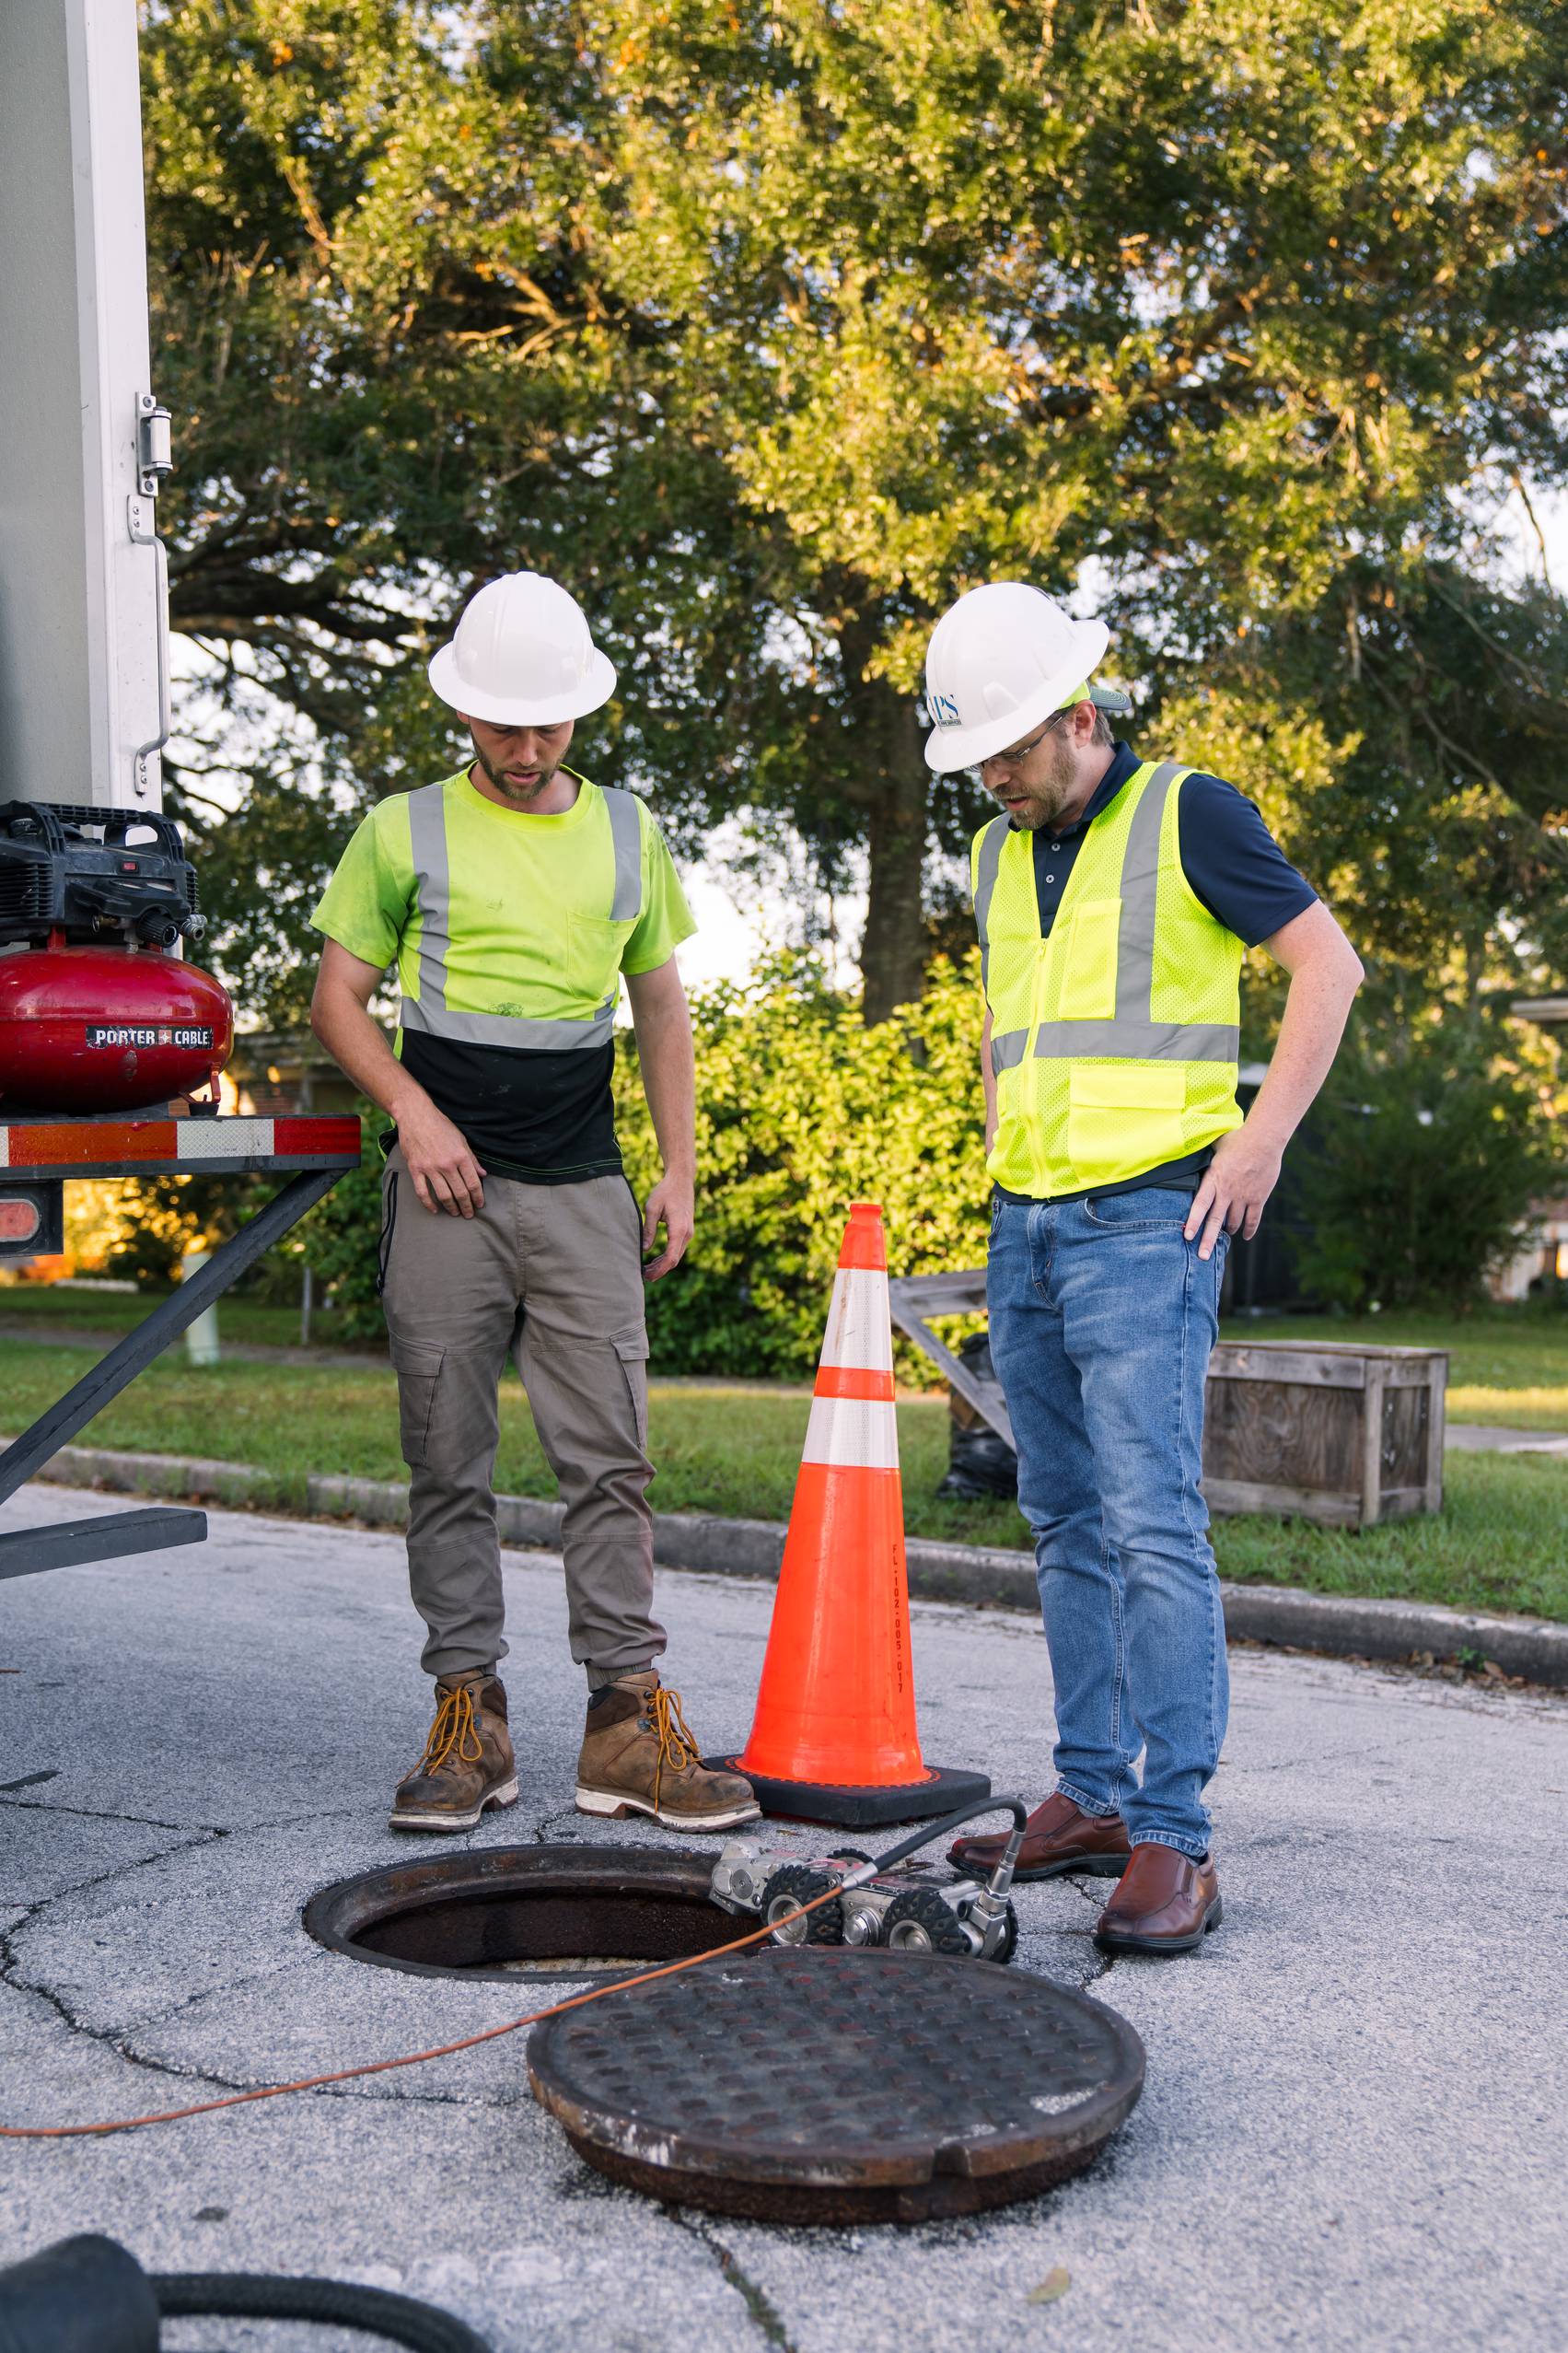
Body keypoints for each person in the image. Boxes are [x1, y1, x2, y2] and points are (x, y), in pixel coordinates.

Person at [932, 583, 1363, 1954]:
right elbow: (1012, 1016)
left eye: (1010, 752)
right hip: (1031, 1220)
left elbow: (1328, 969)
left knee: (1151, 1524)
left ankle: (1174, 1836)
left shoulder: (1191, 813)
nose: (994, 779)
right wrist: (1001, 1142)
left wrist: (1260, 1143)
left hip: (1151, 1222)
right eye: (978, 758)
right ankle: (1095, 1796)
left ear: (1081, 715)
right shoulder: (999, 851)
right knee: (1060, 1518)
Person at [308, 570, 759, 1837]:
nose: (524, 747)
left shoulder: (629, 830)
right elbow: (338, 1001)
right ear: (463, 714)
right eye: (502, 725)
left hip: (584, 1192)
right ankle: (470, 1718)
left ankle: (625, 1724)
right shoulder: (404, 830)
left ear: (579, 714)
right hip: (450, 1192)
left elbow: (661, 1006)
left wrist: (676, 1168)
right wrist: (415, 1113)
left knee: (610, 1460)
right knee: (444, 1453)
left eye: (546, 725)